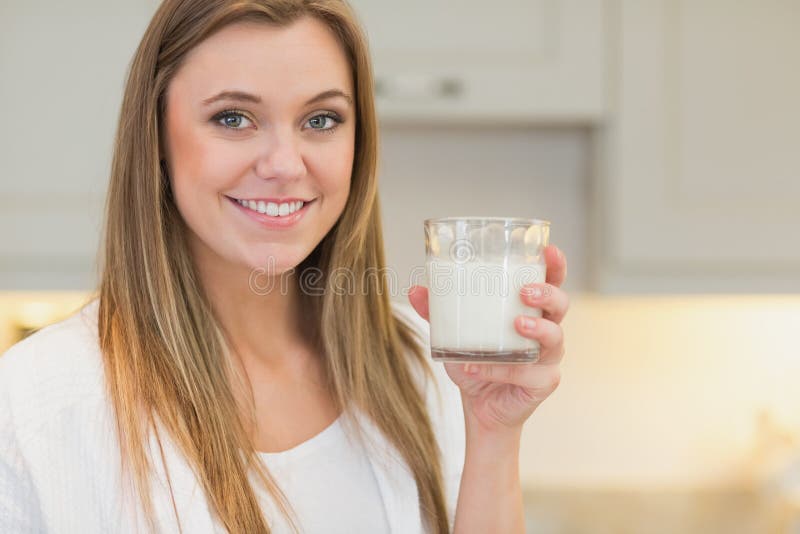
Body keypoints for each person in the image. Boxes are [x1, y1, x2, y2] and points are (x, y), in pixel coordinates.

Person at [0, 1, 569, 533]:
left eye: (320, 120)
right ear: (156, 138)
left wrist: (493, 435)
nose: (284, 165)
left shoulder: (428, 368)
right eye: (233, 118)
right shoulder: (35, 409)